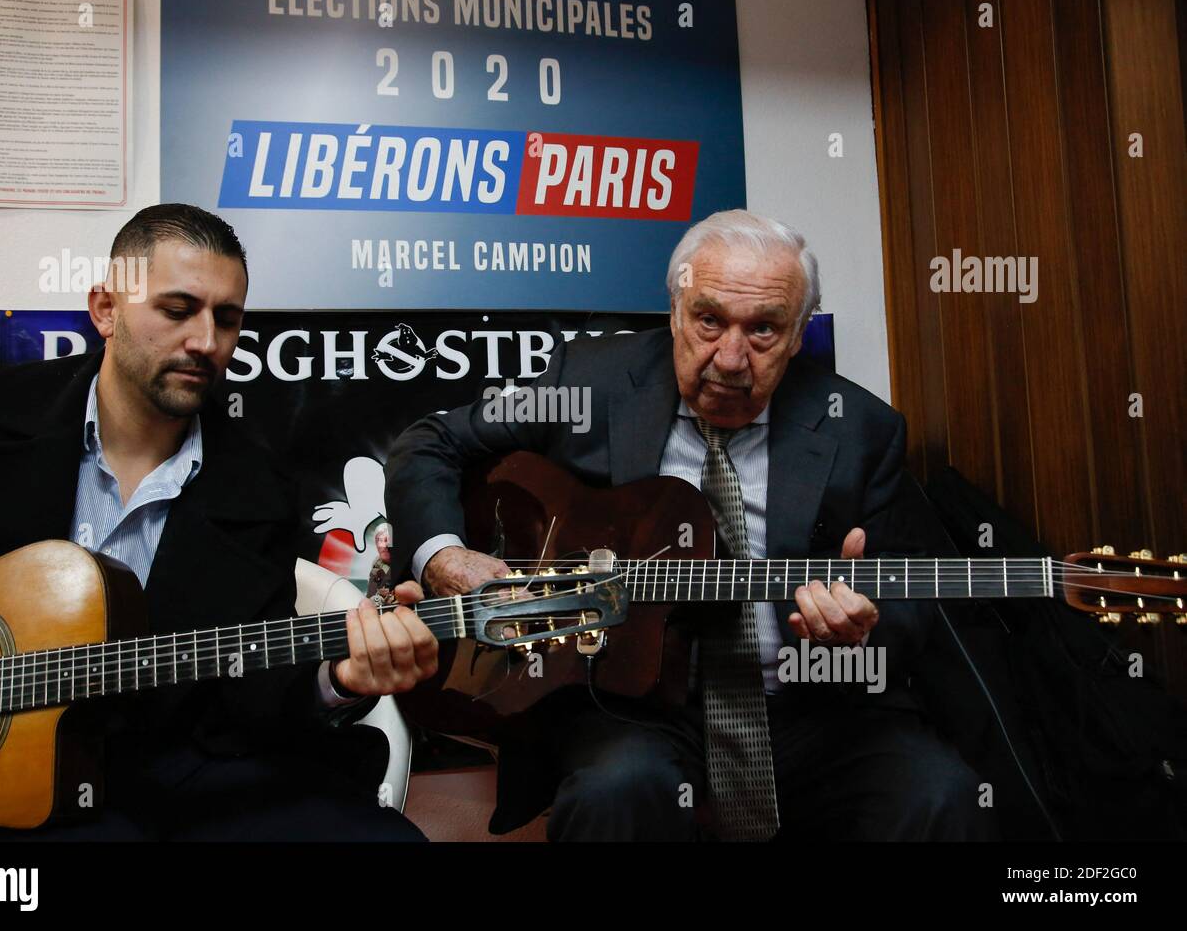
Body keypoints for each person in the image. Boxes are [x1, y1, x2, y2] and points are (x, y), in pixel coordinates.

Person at [385, 209, 994, 841]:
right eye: (709, 320)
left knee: (939, 793)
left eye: (763, 330)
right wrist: (442, 557)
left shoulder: (860, 430)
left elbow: (910, 606)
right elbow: (429, 442)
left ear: (797, 334)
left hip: (808, 706)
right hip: (633, 706)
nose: (730, 358)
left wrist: (862, 629)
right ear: (675, 310)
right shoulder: (587, 381)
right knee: (614, 791)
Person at [0, 204, 438, 840]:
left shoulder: (258, 486)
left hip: (177, 774)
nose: (206, 342)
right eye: (178, 311)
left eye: (226, 319)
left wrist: (340, 679)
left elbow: (252, 686)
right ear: (105, 310)